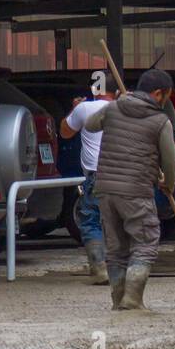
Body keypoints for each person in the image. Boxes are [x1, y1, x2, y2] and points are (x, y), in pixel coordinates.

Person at [83, 69, 175, 311]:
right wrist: (170, 182)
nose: (166, 101)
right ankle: (133, 298)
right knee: (145, 242)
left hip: (105, 189)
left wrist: (113, 105)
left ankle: (118, 299)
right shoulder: (160, 122)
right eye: (166, 96)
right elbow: (171, 163)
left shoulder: (114, 108)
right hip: (136, 191)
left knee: (116, 248)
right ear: (158, 94)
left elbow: (90, 124)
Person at [61, 90, 115, 285]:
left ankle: (99, 267)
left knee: (91, 219)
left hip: (96, 173)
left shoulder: (85, 108)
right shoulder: (128, 107)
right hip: (127, 173)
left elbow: (65, 132)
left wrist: (74, 110)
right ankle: (127, 268)